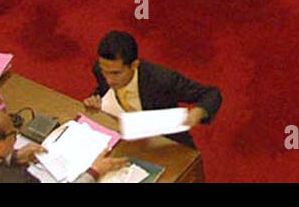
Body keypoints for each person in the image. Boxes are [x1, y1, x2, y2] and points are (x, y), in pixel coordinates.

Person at [83, 30, 221, 148]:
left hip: (165, 142)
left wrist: (198, 113)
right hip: (127, 139)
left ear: (134, 65)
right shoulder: (100, 70)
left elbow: (211, 94)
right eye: (104, 72)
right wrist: (95, 99)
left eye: (116, 73)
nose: (109, 80)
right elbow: (103, 90)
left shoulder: (162, 80)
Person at [0, 107, 124, 183]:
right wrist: (94, 171)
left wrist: (14, 157)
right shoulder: (17, 181)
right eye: (12, 134)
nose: (16, 137)